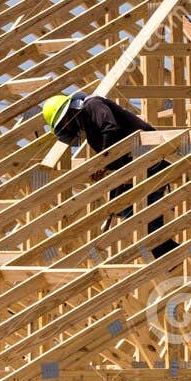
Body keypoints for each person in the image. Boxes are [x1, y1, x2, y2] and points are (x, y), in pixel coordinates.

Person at [42, 90, 178, 258]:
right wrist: (105, 168)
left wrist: (103, 162)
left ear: (70, 114)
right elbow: (115, 150)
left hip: (151, 159)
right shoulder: (90, 129)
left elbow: (110, 128)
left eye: (66, 124)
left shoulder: (92, 105)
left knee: (144, 212)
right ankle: (168, 252)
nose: (69, 129)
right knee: (124, 209)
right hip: (135, 167)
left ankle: (169, 254)